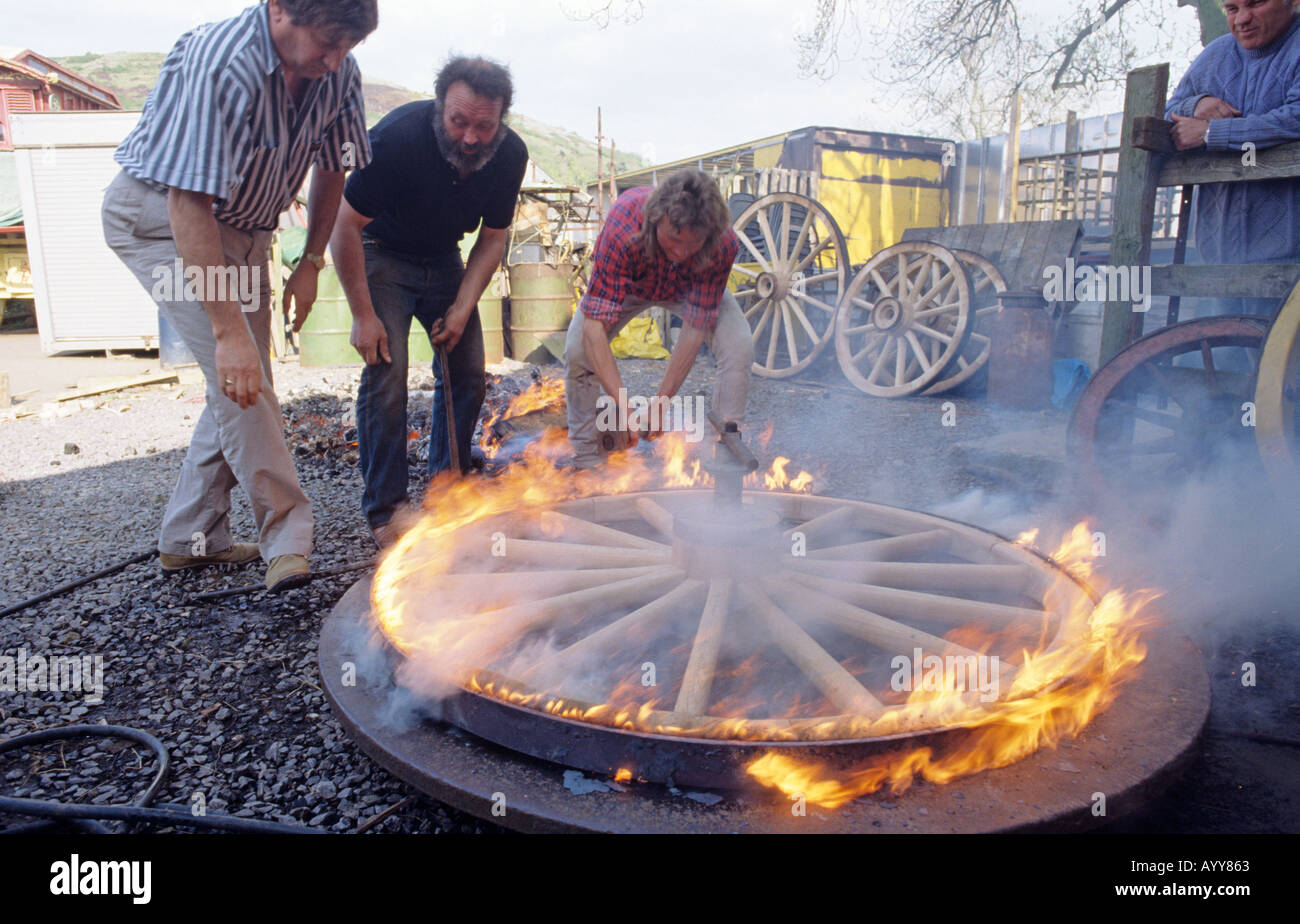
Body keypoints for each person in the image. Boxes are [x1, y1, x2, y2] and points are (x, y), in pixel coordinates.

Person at [102, 0, 377, 591]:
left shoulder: (339, 72)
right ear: (280, 9)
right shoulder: (219, 61)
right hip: (164, 221)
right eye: (326, 42)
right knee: (242, 373)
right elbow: (187, 203)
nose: (334, 60)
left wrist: (308, 260)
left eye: (347, 48)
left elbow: (334, 169)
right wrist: (228, 332)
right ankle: (289, 539)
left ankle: (189, 538)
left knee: (241, 378)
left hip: (249, 230)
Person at [329, 56, 527, 548]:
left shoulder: (510, 155)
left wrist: (462, 308)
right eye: (459, 121)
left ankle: (447, 490)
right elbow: (344, 225)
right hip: (380, 250)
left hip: (442, 257)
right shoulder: (397, 138)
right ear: (440, 107)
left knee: (466, 369)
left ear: (500, 119)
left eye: (484, 126)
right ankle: (387, 510)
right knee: (387, 371)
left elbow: (493, 236)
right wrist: (363, 315)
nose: (470, 138)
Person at [563, 169, 752, 469]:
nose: (680, 252)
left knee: (739, 344)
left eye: (693, 243)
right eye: (674, 238)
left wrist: (660, 403)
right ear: (655, 219)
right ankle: (587, 455)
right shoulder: (624, 224)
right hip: (631, 286)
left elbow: (695, 328)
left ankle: (728, 458)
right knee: (576, 350)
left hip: (686, 289)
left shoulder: (721, 245)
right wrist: (625, 408)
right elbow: (593, 328)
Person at [1166, 0, 1300, 275]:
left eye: (1256, 4)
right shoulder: (1216, 54)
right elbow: (1165, 112)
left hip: (1290, 258)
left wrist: (1210, 133)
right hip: (1216, 251)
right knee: (1215, 319)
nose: (1242, 20)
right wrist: (1196, 104)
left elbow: (1295, 118)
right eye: (1232, 9)